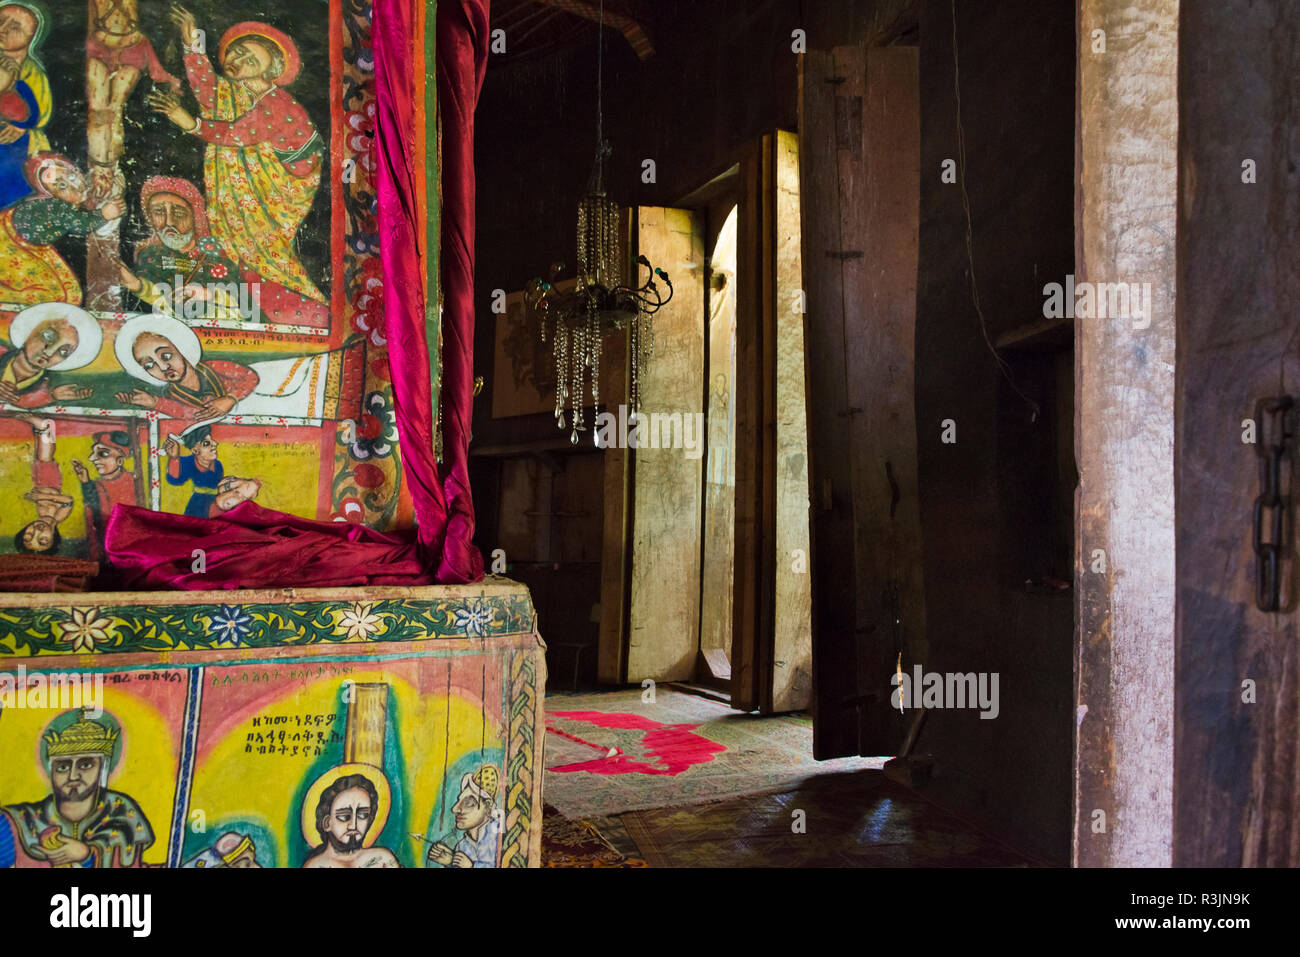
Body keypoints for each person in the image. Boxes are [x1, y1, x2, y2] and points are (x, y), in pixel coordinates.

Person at [149, 5, 328, 326]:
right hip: (261, 177)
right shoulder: (239, 93)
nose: (239, 63)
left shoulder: (277, 102)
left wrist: (187, 121)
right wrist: (191, 42)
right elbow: (208, 89)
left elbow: (235, 134)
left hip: (284, 185)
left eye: (251, 61)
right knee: (244, 255)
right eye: (238, 53)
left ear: (269, 71)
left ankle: (304, 313)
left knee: (260, 249)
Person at [1, 709, 154, 867]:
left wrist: (87, 854)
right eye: (63, 767)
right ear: (50, 771)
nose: (73, 775)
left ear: (102, 768)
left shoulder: (122, 817)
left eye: (85, 765)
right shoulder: (18, 821)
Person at [0, 154, 125, 304]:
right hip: (9, 244)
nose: (74, 186)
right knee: (57, 295)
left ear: (77, 171)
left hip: (31, 245)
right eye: (61, 186)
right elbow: (79, 223)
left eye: (71, 176)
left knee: (70, 292)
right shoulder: (56, 207)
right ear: (49, 194)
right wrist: (104, 214)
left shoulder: (66, 200)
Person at [85, 0, 179, 198]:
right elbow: (90, 20)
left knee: (114, 111)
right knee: (98, 111)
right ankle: (99, 169)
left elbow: (160, 18)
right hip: (99, 45)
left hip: (133, 46)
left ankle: (109, 170)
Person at [118, 175, 246, 319]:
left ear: (195, 217)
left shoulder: (218, 259)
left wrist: (209, 294)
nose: (169, 222)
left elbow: (246, 311)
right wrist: (137, 286)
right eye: (159, 212)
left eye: (178, 213)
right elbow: (155, 307)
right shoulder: (149, 256)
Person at [0, 302, 100, 408]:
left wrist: (51, 396)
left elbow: (22, 404)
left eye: (63, 352)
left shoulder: (45, 386)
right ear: (29, 331)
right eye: (48, 336)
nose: (49, 352)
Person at [302, 771, 399, 868]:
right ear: (327, 823)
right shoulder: (314, 866)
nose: (353, 825)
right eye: (344, 817)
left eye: (362, 815)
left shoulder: (382, 860)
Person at [71, 430, 138, 560]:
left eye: (103, 453)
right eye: (94, 452)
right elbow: (96, 511)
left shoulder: (130, 483)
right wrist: (86, 482)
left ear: (119, 461)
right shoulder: (98, 484)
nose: (92, 458)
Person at [12, 412, 71, 554]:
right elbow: (68, 501)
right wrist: (41, 498)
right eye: (43, 540)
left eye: (29, 535)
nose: (37, 532)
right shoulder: (58, 517)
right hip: (51, 483)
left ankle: (38, 430)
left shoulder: (41, 516)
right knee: (46, 457)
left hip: (39, 482)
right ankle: (43, 427)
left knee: (39, 456)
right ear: (54, 537)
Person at [0, 3, 52, 159]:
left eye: (15, 27)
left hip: (19, 147)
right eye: (0, 21)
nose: (2, 29)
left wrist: (21, 126)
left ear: (30, 37)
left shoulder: (33, 71)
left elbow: (41, 111)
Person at [425, 765, 502, 868]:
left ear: (487, 807)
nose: (455, 809)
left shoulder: (498, 836)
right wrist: (451, 861)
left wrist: (471, 866)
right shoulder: (462, 846)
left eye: (469, 803)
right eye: (459, 801)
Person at [162, 424, 222, 517]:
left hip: (217, 505)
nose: (215, 444)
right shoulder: (186, 462)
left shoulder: (218, 465)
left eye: (212, 441)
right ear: (195, 451)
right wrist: (174, 458)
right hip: (197, 507)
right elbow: (175, 480)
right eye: (206, 443)